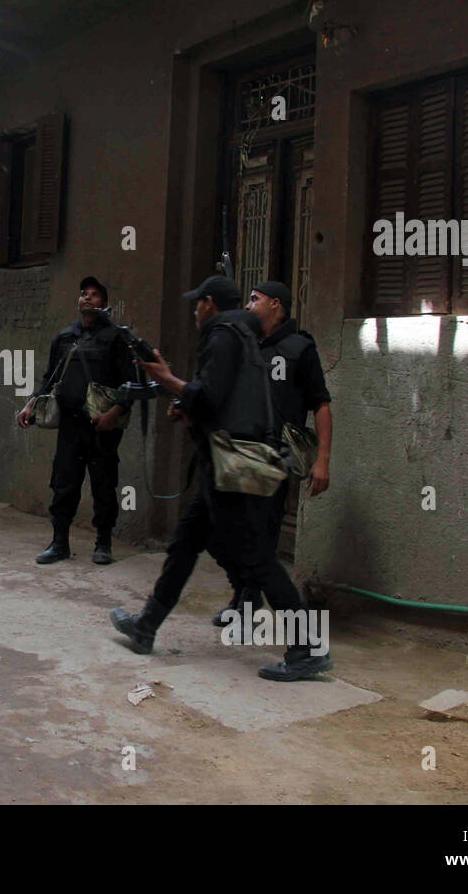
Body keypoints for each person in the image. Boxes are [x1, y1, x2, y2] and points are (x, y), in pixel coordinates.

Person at [109, 275, 332, 681]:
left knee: (258, 558)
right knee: (185, 544)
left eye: (198, 303)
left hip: (233, 465)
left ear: (209, 304)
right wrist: (187, 402)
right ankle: (146, 627)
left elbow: (209, 396)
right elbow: (222, 400)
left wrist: (166, 379)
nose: (194, 310)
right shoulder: (243, 338)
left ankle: (309, 648)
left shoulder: (223, 335)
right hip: (223, 461)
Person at [210, 280, 333, 625]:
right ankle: (246, 595)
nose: (249, 305)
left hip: (274, 459)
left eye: (255, 299)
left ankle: (248, 604)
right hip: (236, 453)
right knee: (221, 530)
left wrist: (322, 460)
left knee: (260, 535)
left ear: (276, 304)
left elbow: (321, 405)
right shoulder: (244, 345)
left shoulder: (299, 348)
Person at [17, 276, 136, 565]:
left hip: (101, 428)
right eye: (83, 293)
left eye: (95, 295)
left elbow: (130, 385)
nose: (87, 298)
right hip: (70, 425)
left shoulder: (116, 339)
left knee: (103, 485)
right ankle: (59, 544)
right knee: (63, 484)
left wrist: (113, 414)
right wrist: (31, 403)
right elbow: (50, 378)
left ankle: (103, 543)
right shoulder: (65, 338)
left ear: (104, 304)